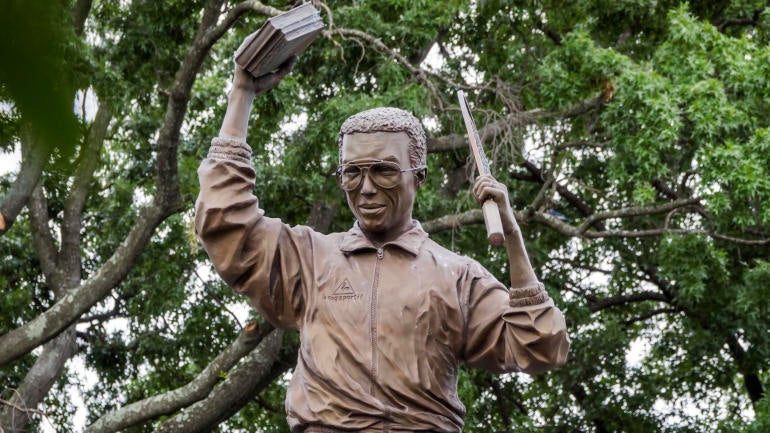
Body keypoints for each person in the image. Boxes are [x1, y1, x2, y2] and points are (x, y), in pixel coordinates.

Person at [195, 59, 569, 433]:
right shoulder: (309, 258)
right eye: (352, 173)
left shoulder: (458, 277)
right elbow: (225, 221)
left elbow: (539, 346)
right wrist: (242, 93)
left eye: (384, 171)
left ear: (419, 176)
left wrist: (512, 236)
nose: (367, 188)